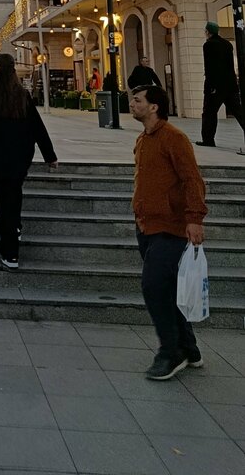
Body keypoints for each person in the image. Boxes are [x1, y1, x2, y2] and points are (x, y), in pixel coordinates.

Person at [129, 84, 207, 380]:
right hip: (146, 225)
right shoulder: (143, 138)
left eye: (137, 100)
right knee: (168, 289)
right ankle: (188, 348)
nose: (132, 104)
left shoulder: (174, 138)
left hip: (170, 227)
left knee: (154, 287)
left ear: (154, 107)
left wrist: (195, 218)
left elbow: (192, 179)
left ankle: (169, 352)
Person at [0, 54, 58, 269]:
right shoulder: (21, 94)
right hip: (21, 153)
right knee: (14, 191)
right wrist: (50, 156)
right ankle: (16, 226)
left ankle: (10, 253)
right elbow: (37, 126)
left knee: (4, 200)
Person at [197, 21, 244, 149]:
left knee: (209, 113)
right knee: (239, 112)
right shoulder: (227, 44)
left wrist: (210, 86)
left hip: (216, 86)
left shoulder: (208, 45)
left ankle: (208, 140)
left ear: (208, 32)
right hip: (230, 85)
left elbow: (210, 67)